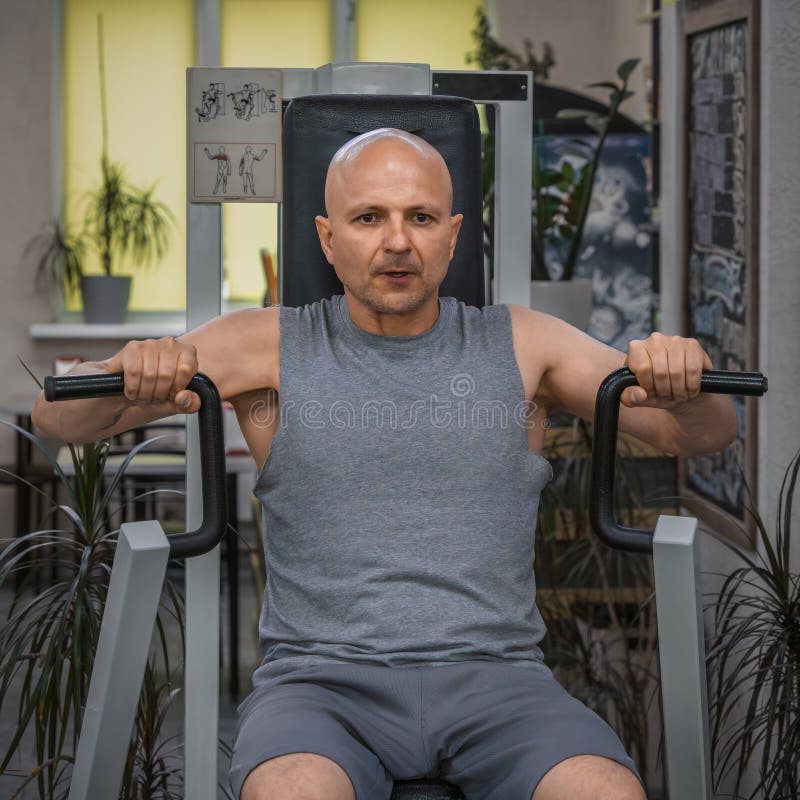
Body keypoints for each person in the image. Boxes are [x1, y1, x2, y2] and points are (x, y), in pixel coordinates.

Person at [32, 129, 736, 800]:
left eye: (421, 217)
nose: (397, 240)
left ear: (453, 236)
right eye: (369, 217)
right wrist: (131, 368)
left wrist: (685, 376)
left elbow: (698, 433)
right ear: (328, 238)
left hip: (500, 684)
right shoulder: (267, 347)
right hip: (319, 687)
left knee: (605, 790)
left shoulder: (525, 347)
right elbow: (60, 420)